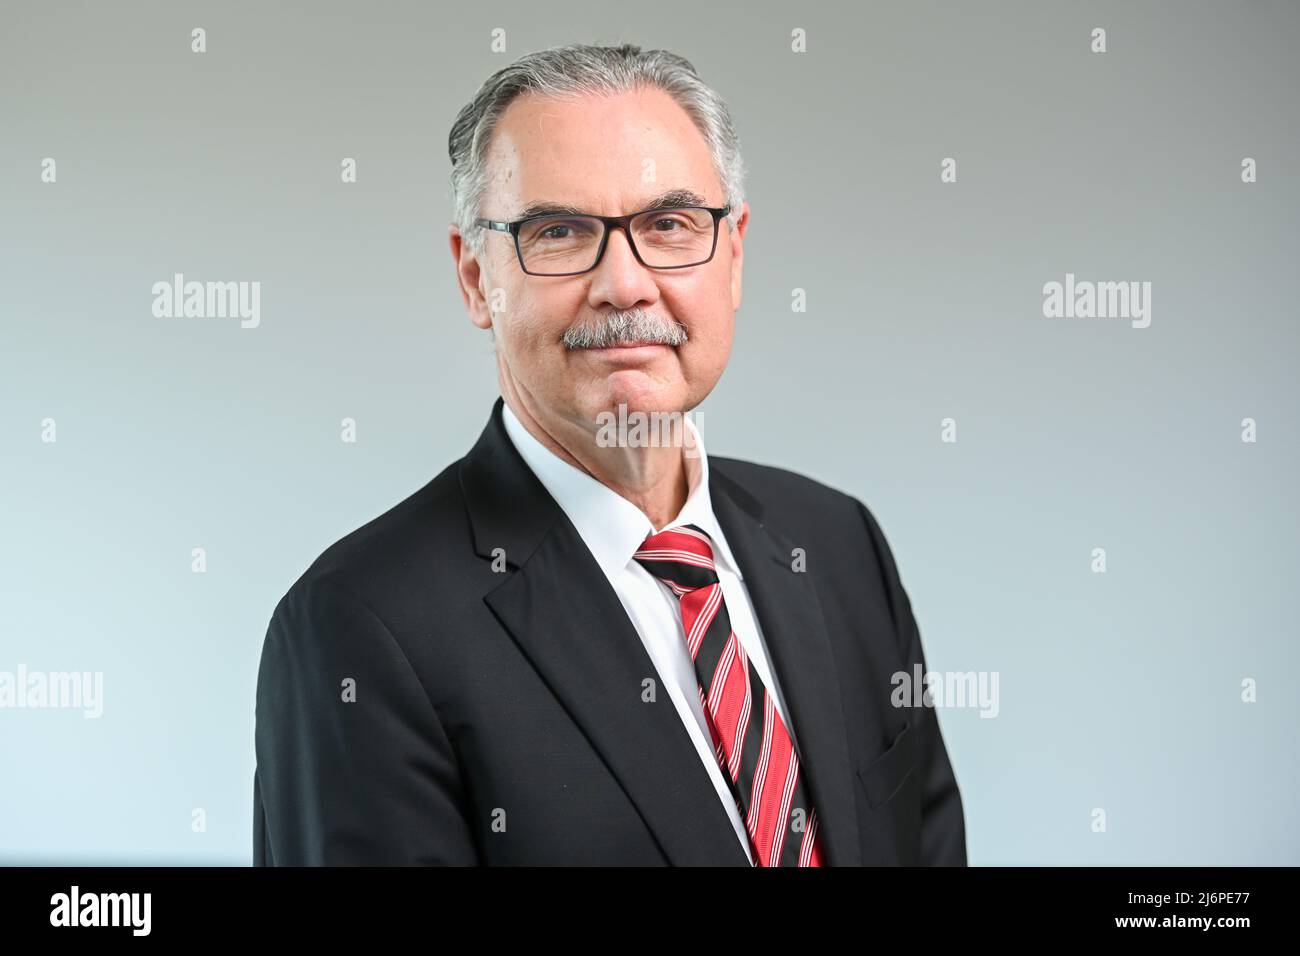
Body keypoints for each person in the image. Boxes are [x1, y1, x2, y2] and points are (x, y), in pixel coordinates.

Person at [253, 42, 966, 866]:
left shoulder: (840, 545)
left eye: (669, 225)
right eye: (557, 231)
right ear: (476, 277)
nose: (624, 284)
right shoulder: (359, 629)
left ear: (732, 256)